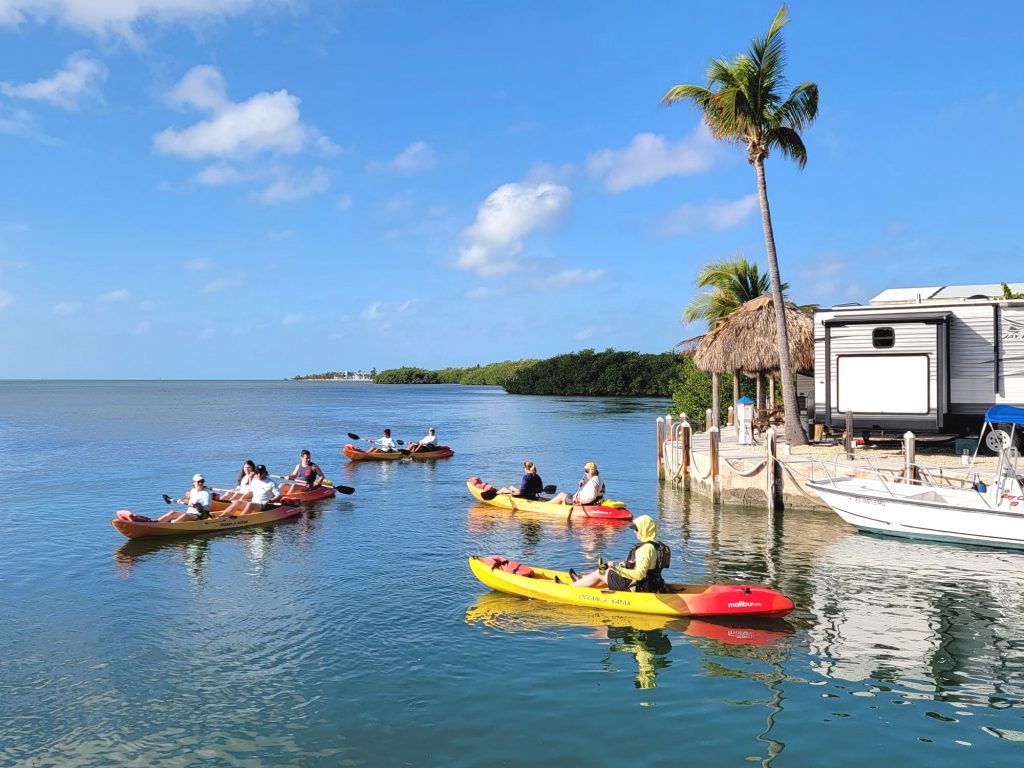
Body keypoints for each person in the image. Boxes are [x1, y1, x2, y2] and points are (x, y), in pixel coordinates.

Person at [568, 515, 671, 592]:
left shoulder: (645, 549)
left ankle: (572, 589)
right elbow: (651, 566)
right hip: (656, 584)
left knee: (602, 571)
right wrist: (626, 565)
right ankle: (583, 582)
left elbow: (639, 575)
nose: (635, 532)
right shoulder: (659, 546)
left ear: (645, 529)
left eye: (636, 529)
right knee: (608, 571)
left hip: (639, 587)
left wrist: (617, 568)